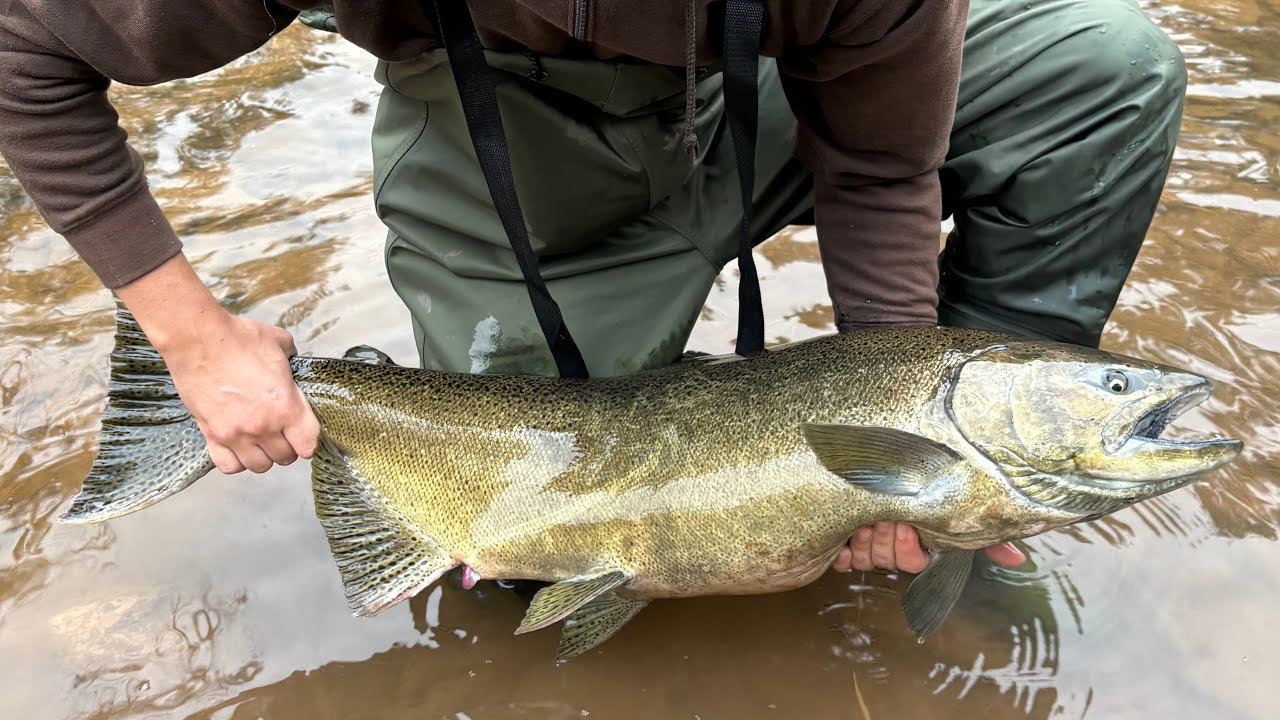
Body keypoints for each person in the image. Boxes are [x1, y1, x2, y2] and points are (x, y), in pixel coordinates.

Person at [0, 0, 1186, 578]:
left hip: (738, 107)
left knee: (1102, 69)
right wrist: (194, 339)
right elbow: (23, 50)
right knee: (516, 547)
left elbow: (881, 166)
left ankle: (1016, 481)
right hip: (499, 148)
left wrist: (910, 455)